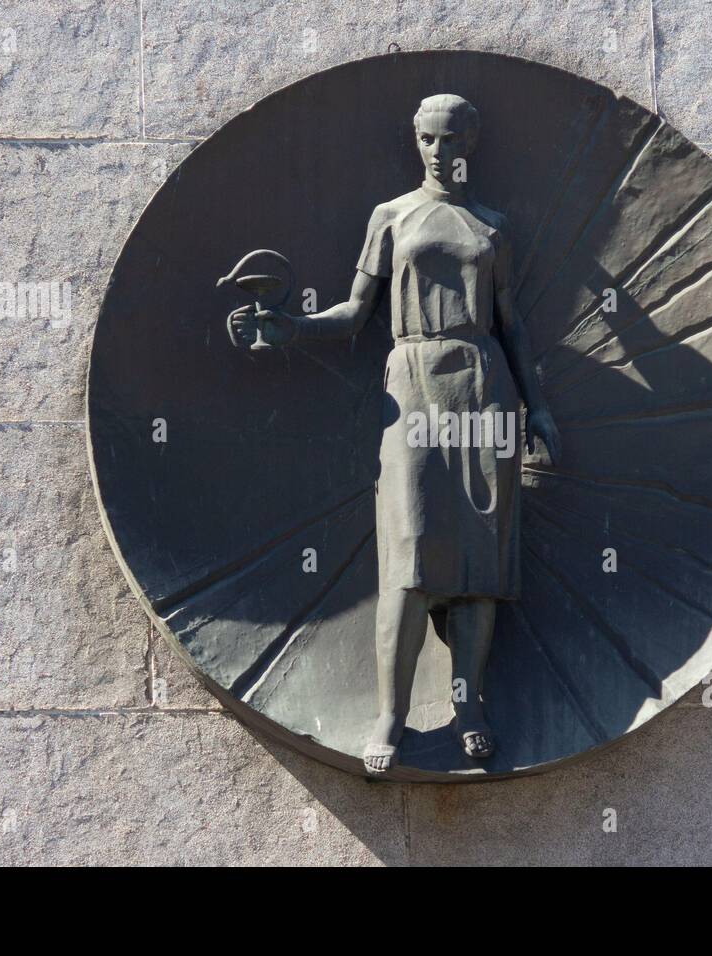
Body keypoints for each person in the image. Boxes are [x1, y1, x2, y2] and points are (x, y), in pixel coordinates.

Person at [228, 94, 561, 775]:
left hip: (483, 383)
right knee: (410, 557)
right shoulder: (392, 216)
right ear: (416, 142)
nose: (440, 150)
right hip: (410, 380)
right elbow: (355, 312)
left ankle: (468, 704)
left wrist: (539, 407)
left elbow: (513, 322)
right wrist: (291, 328)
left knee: (479, 566)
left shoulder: (493, 226)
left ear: (472, 140)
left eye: (451, 138)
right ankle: (392, 712)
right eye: (428, 139)